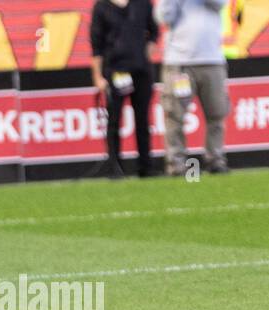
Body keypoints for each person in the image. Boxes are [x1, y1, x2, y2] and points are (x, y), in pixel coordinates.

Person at [157, 0, 231, 176]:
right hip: (179, 63)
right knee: (175, 115)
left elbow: (220, 3)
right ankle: (177, 163)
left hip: (212, 60)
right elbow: (163, 17)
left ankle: (215, 159)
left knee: (217, 113)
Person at [89, 0, 159, 179]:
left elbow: (154, 31)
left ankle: (146, 167)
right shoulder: (102, 7)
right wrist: (98, 77)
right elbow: (96, 46)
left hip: (141, 70)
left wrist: (147, 50)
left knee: (142, 119)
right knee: (113, 120)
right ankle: (115, 167)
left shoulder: (142, 4)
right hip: (115, 70)